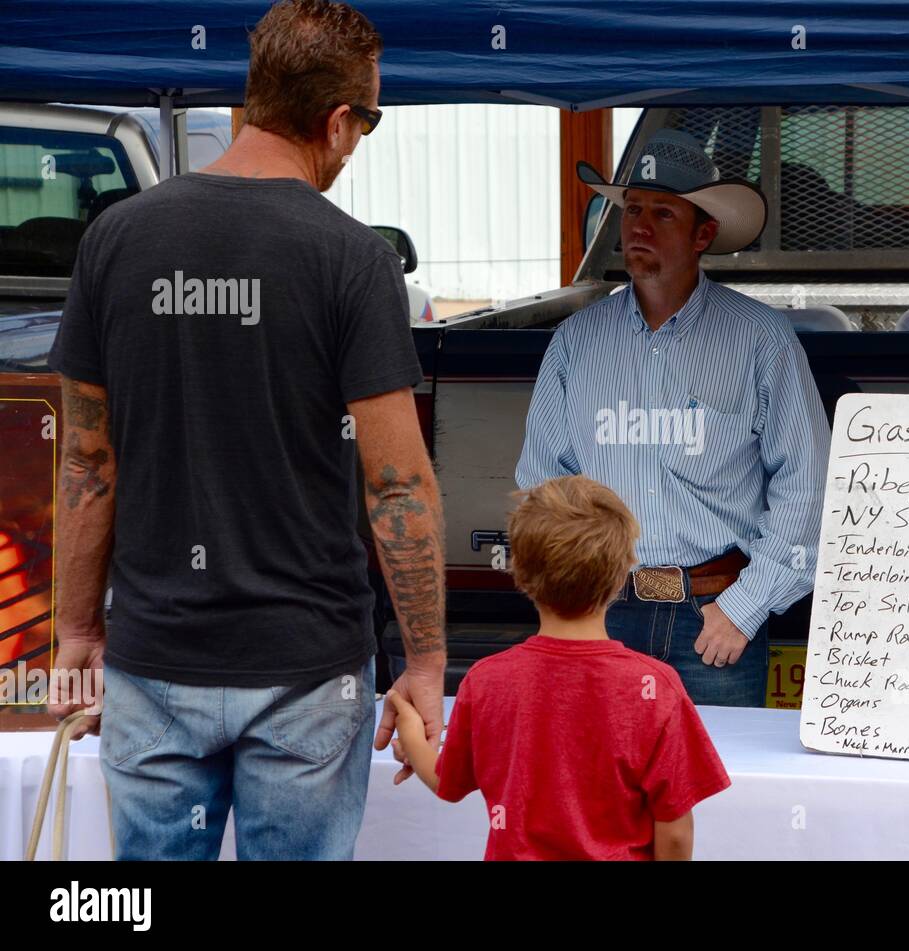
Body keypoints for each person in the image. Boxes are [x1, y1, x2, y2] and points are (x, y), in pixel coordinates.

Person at [45, 0, 446, 860]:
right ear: (336, 123)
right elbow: (398, 484)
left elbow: (86, 457)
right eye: (366, 124)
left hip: (155, 660)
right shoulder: (354, 260)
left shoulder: (115, 239)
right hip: (308, 666)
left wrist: (77, 630)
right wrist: (426, 657)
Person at [515, 129, 831, 708]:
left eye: (663, 213)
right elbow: (545, 488)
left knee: (716, 796)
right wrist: (568, 606)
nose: (638, 227)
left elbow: (807, 486)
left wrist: (746, 607)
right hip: (602, 616)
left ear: (703, 233)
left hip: (716, 618)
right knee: (600, 791)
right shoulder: (575, 343)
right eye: (633, 209)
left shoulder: (761, 340)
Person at [391, 475, 731, 860]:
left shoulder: (486, 681)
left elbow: (446, 782)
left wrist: (411, 731)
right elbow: (674, 836)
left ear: (520, 573)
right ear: (621, 575)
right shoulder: (656, 686)